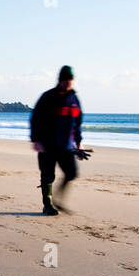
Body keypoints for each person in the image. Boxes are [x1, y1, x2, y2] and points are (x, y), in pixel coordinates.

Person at [29, 65, 90, 214]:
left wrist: (79, 143)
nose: (68, 82)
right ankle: (48, 204)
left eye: (70, 79)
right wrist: (36, 140)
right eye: (65, 80)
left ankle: (58, 200)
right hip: (47, 144)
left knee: (72, 173)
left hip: (66, 146)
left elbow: (77, 124)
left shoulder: (74, 99)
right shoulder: (48, 97)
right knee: (48, 175)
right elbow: (35, 119)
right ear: (60, 80)